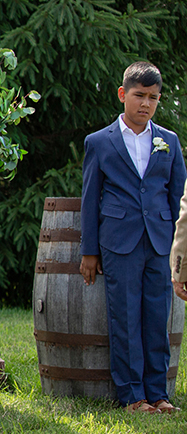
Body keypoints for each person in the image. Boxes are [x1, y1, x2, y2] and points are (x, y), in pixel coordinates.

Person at [81, 61, 185, 414]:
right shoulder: (99, 142)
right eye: (140, 95)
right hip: (118, 241)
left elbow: (178, 198)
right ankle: (131, 395)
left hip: (159, 241)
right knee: (125, 317)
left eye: (153, 98)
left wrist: (180, 252)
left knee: (157, 316)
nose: (146, 103)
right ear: (123, 94)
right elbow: (90, 200)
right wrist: (89, 251)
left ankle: (158, 393)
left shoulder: (169, 141)